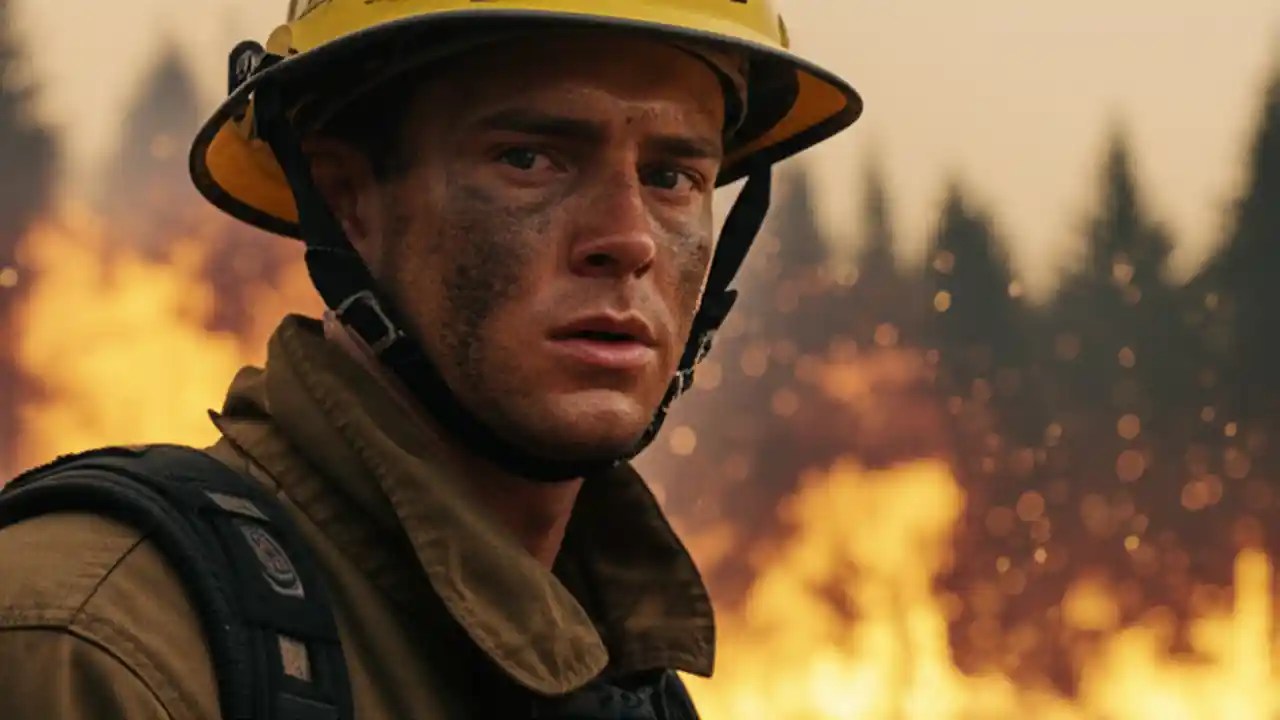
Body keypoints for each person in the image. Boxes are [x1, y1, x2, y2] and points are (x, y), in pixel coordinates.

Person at [0, 1, 861, 717]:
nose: (627, 239)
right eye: (530, 158)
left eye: (675, 176)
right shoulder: (98, 644)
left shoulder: (629, 685)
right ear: (348, 205)